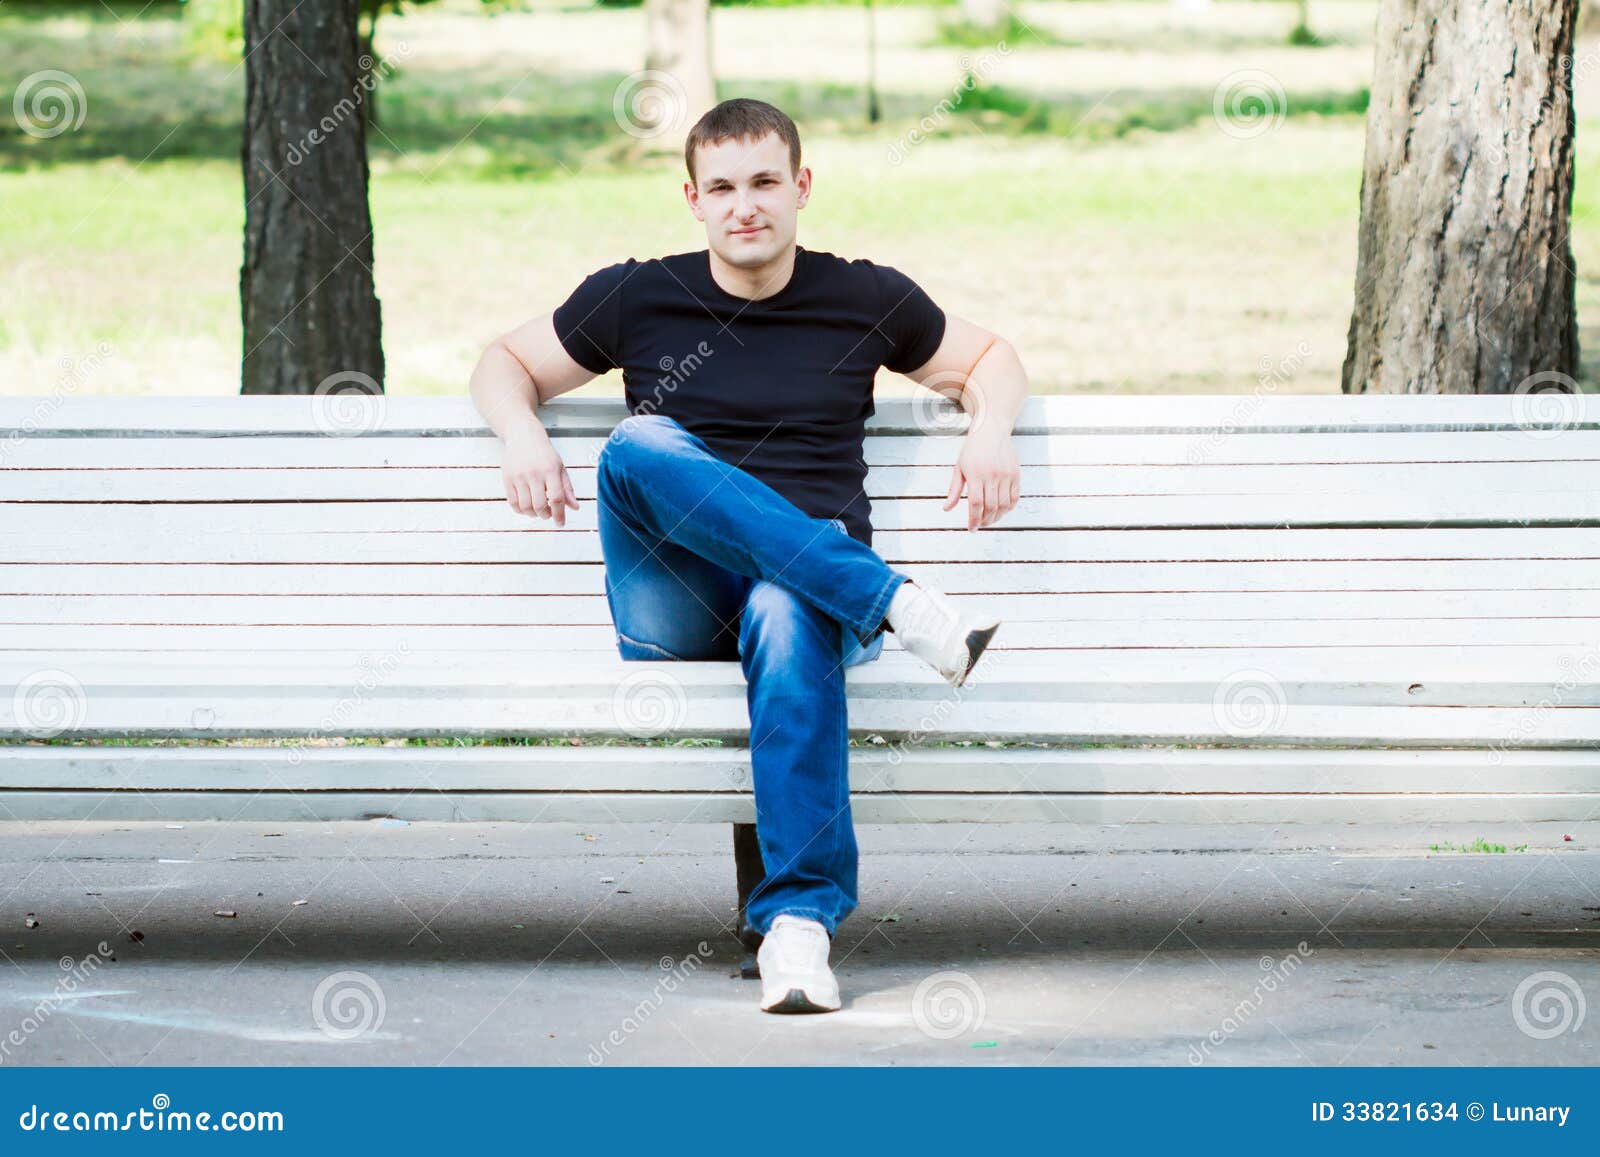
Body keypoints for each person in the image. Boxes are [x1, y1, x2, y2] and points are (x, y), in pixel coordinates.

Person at [468, 98, 1029, 1014]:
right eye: (722, 187)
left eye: (766, 182)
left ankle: (798, 934)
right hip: (676, 602)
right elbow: (504, 360)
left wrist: (991, 426)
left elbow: (991, 357)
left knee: (783, 597)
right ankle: (900, 603)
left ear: (801, 186)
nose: (746, 206)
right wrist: (520, 434)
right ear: (692, 198)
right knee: (638, 443)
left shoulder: (864, 297)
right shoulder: (638, 294)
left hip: (804, 613)